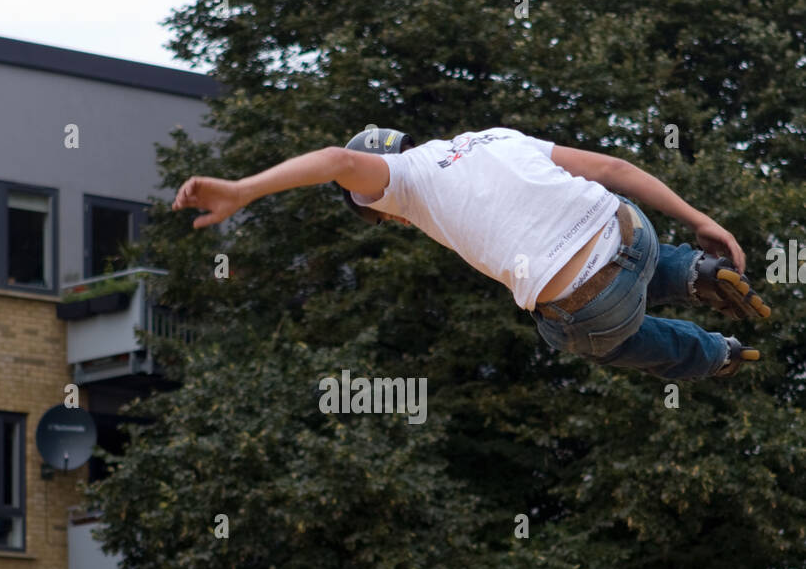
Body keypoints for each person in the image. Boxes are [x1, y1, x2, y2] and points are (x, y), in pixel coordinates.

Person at [172, 126, 771, 380]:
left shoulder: (398, 181)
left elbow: (334, 160)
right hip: (632, 229)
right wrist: (701, 220)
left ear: (371, 202)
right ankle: (693, 272)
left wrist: (242, 190)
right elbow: (613, 168)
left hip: (593, 305)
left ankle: (711, 355)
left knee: (567, 332)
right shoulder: (494, 137)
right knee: (619, 256)